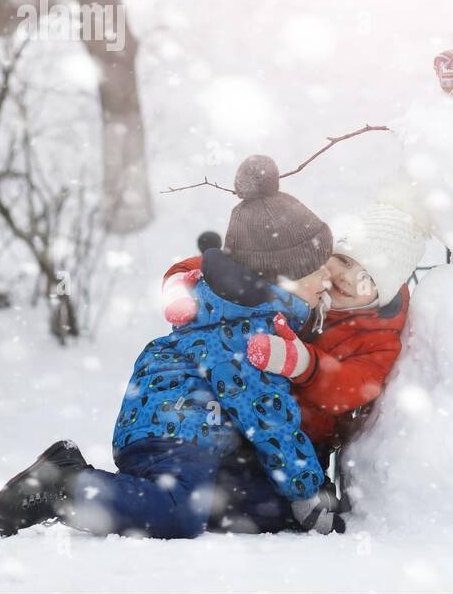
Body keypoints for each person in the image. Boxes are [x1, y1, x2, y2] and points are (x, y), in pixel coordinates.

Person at [0, 155, 344, 539]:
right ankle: (63, 486)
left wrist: (290, 502)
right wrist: (307, 489)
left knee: (257, 503)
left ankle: (270, 506)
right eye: (317, 268)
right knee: (179, 513)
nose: (328, 277)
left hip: (198, 435)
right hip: (176, 431)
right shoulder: (250, 330)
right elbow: (267, 417)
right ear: (284, 277)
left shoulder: (246, 310)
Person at [171, 198, 429, 534]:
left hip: (304, 442)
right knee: (209, 475)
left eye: (367, 279)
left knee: (265, 507)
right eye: (344, 260)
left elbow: (355, 385)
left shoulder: (377, 334)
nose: (348, 279)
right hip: (243, 417)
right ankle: (182, 491)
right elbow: (223, 267)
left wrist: (303, 363)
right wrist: (180, 286)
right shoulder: (301, 272)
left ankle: (227, 501)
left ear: (383, 292)